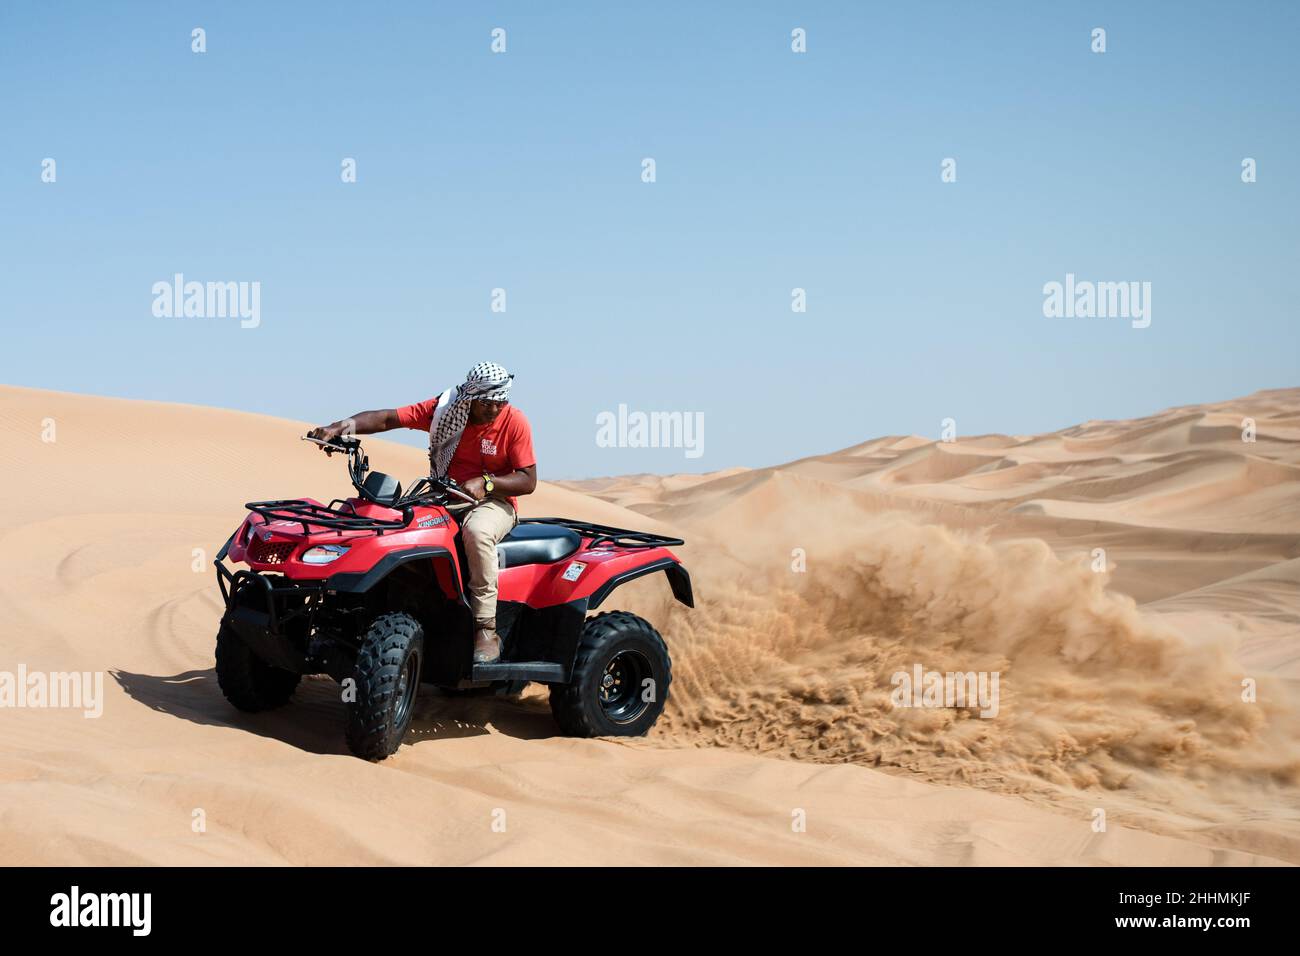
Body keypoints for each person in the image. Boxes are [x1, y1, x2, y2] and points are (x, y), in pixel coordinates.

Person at [307, 362, 536, 664]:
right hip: (443, 494)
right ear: (469, 398)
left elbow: (528, 480)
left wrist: (487, 483)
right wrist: (338, 427)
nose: (495, 409)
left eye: (500, 402)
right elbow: (389, 418)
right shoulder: (446, 411)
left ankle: (485, 628)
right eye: (487, 403)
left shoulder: (514, 422)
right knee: (393, 525)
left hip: (494, 502)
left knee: (477, 532)